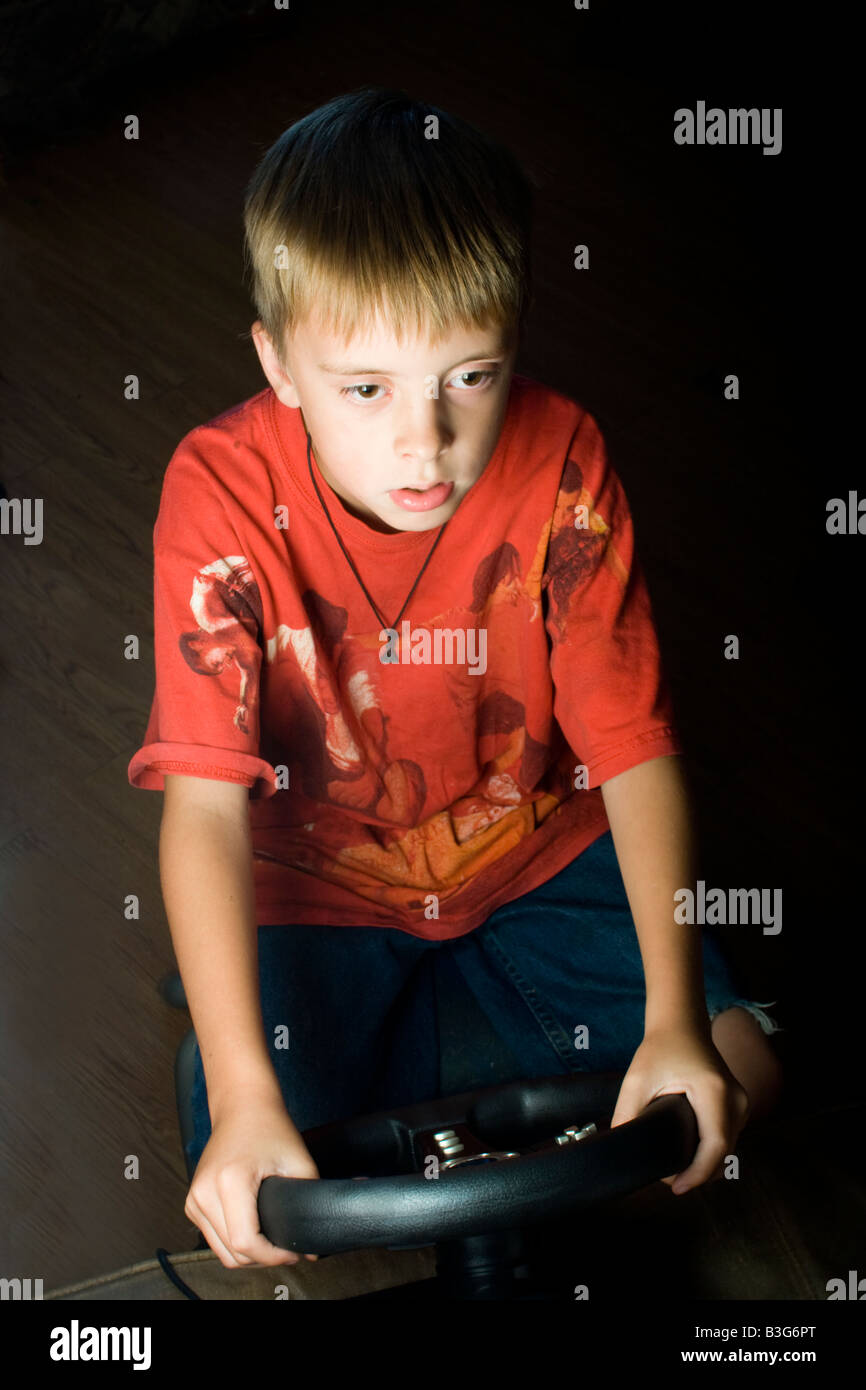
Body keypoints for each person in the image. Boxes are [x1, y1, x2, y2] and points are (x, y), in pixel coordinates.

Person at [128, 86, 783, 1273]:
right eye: (365, 388)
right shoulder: (215, 492)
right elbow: (203, 806)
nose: (421, 442)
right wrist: (242, 1091)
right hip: (317, 880)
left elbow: (633, 748)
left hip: (533, 844)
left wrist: (676, 1024)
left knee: (734, 1081)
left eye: (468, 377)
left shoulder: (566, 458)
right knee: (266, 1186)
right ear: (278, 363)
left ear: (513, 338)